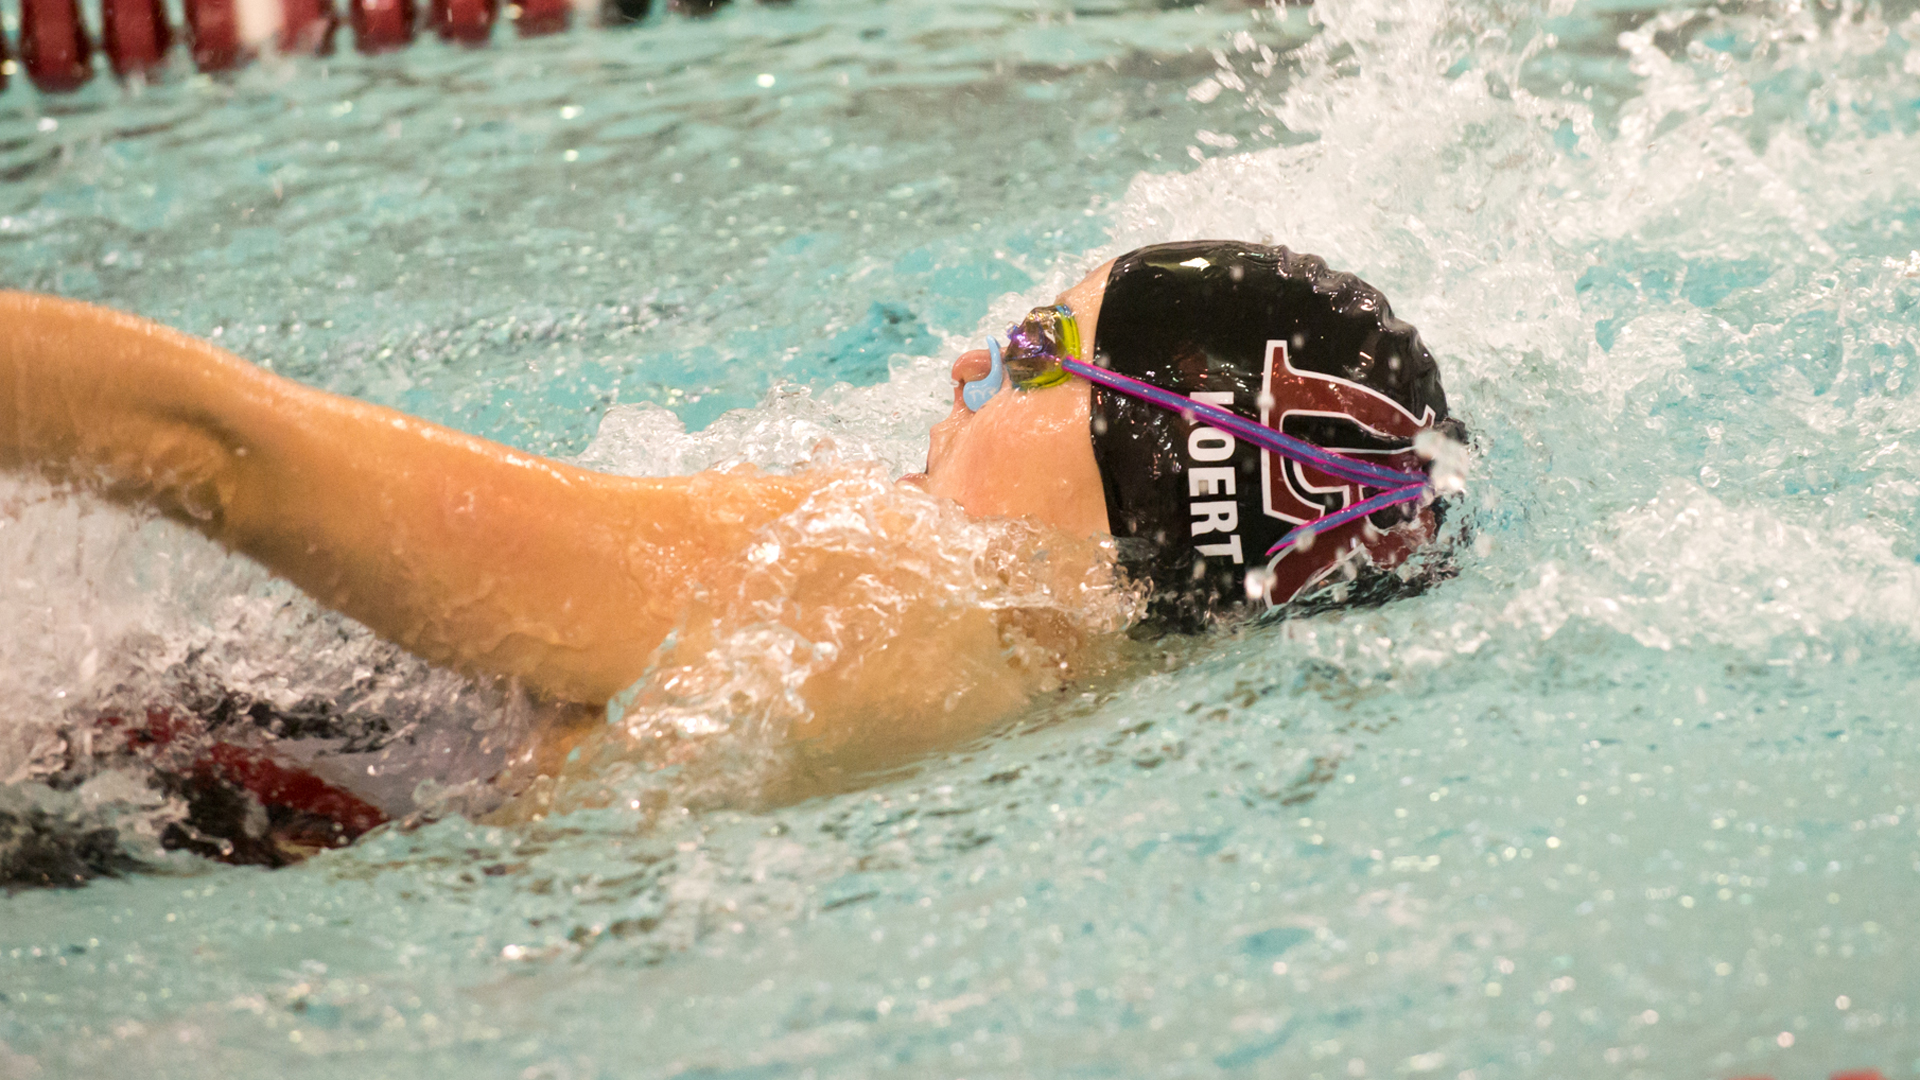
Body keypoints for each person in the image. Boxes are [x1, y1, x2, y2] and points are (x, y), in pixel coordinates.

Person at [0, 240, 1464, 864]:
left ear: (1144, 461)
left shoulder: (853, 580)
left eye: (1037, 351)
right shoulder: (1036, 700)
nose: (967, 363)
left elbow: (216, 452)